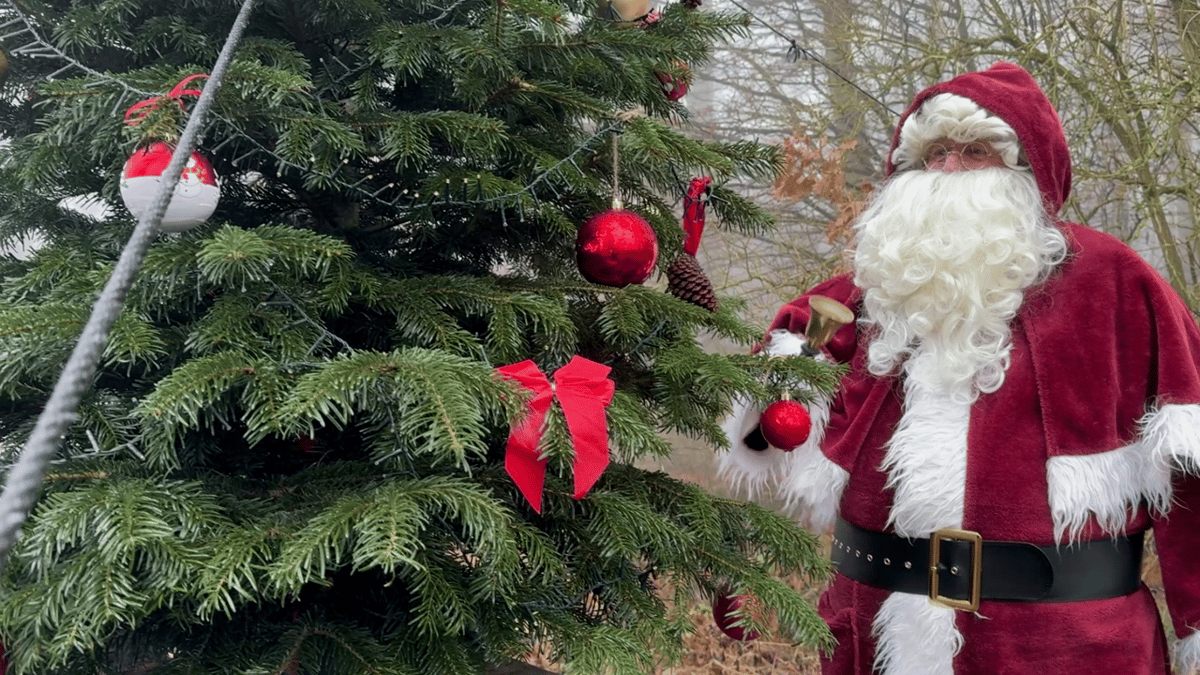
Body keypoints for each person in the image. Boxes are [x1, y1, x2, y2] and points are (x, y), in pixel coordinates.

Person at [719, 62, 1200, 675]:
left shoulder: (1115, 283)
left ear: (1027, 175)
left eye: (974, 152)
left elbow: (1190, 474)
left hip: (1064, 648)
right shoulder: (871, 290)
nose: (947, 170)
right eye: (933, 154)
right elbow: (768, 425)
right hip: (871, 639)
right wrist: (782, 378)